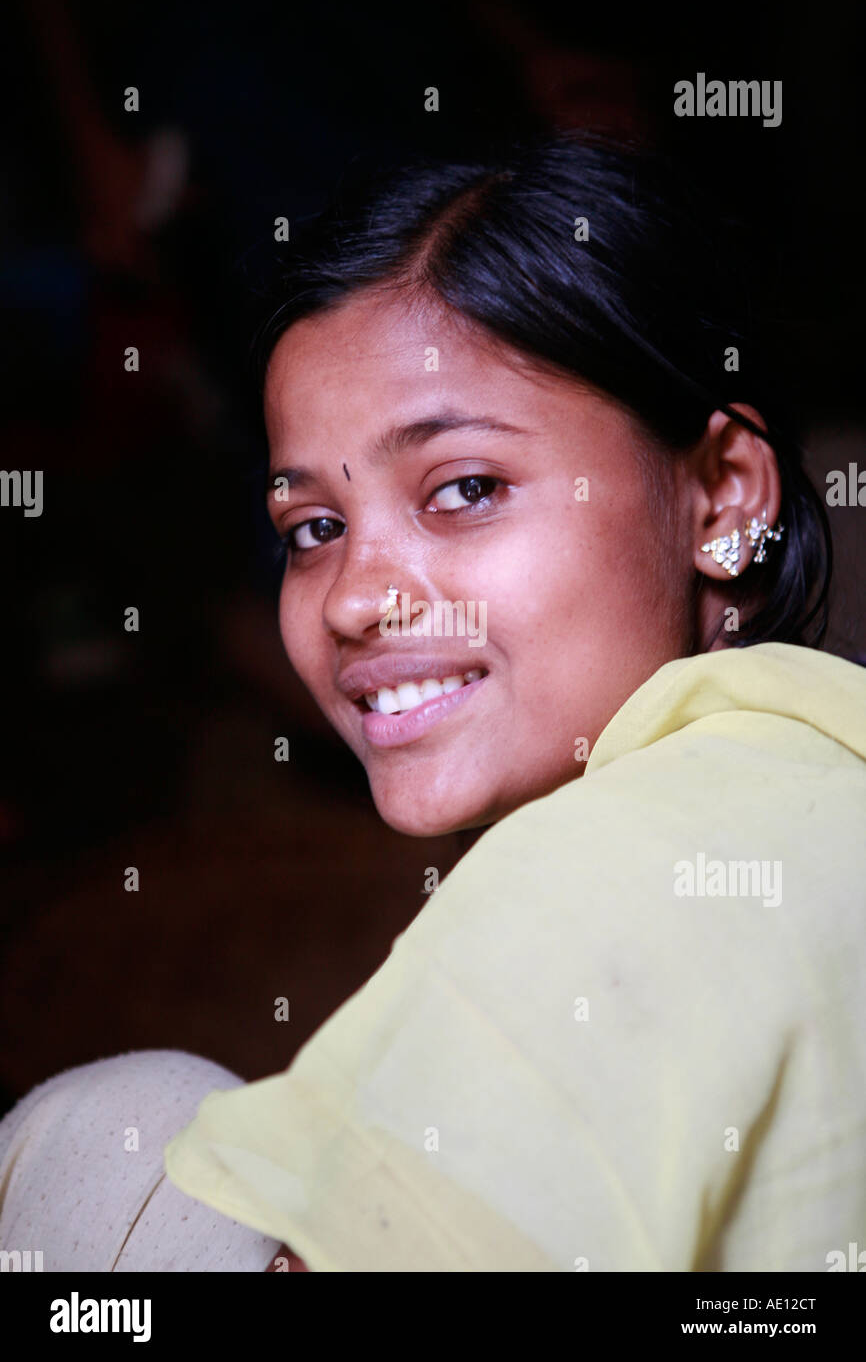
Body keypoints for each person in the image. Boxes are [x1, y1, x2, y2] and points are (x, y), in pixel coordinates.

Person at [2, 133, 864, 1272]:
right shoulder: (811, 774)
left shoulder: (608, 869)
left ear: (719, 497)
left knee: (115, 1130)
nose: (355, 597)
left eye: (463, 488)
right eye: (313, 528)